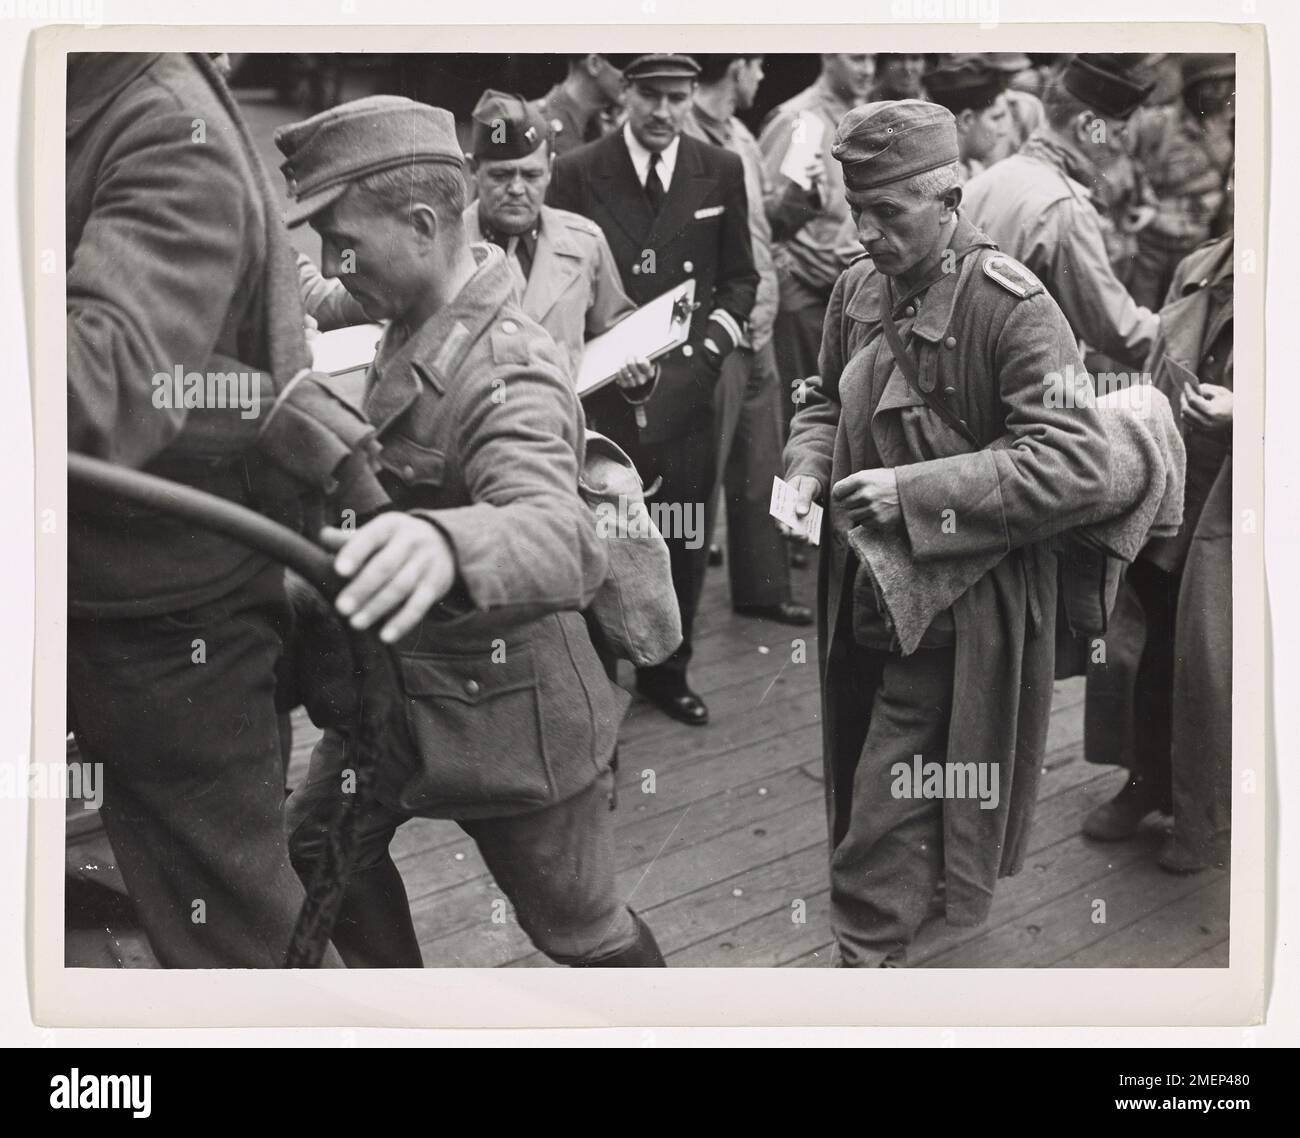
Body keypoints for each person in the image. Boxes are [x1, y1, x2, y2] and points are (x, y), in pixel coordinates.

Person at [276, 95, 666, 968]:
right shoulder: (413, 311)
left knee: (580, 928)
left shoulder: (508, 367)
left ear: (422, 224)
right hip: (389, 694)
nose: (332, 264)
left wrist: (446, 544)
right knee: (319, 846)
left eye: (344, 241)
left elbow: (563, 537)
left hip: (507, 718)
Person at [66, 51, 389, 968]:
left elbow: (103, 382)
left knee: (240, 937)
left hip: (162, 609)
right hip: (109, 578)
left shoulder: (166, 126)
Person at [781, 100, 1110, 966]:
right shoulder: (857, 288)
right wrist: (806, 466)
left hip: (965, 599)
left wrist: (916, 494)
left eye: (888, 212)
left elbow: (1079, 464)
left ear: (951, 198)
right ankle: (908, 903)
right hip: (866, 584)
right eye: (858, 209)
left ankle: (865, 954)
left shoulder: (1015, 307)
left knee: (897, 778)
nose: (866, 232)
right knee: (873, 756)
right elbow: (818, 399)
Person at [548, 53, 759, 727]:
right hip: (603, 393)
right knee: (604, 533)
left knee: (683, 532)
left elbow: (740, 280)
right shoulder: (578, 170)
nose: (663, 112)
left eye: (677, 96)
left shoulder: (719, 168)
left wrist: (706, 355)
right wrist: (602, 354)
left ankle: (669, 671)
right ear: (626, 94)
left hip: (686, 383)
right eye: (651, 96)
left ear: (692, 96)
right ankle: (599, 679)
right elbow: (562, 277)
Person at [1082, 235, 1233, 874]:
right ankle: (1148, 780)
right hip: (1179, 495)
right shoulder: (1201, 267)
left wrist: (1253, 412)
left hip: (1248, 511)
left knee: (1220, 661)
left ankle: (1210, 814)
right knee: (1151, 640)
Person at [684, 54, 812, 628]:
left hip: (760, 315)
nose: (762, 79)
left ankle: (764, 588)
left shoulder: (741, 134)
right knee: (698, 470)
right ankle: (672, 615)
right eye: (758, 66)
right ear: (736, 68)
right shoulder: (681, 130)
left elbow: (767, 225)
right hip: (717, 324)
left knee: (764, 462)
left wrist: (802, 194)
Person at [961, 53, 1159, 371]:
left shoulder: (987, 180)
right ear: (1085, 127)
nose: (1122, 147)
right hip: (1024, 393)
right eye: (1118, 132)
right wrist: (1188, 337)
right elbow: (1118, 332)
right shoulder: (1065, 210)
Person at [758, 54, 874, 430]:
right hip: (805, 295)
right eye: (857, 57)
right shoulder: (802, 122)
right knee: (802, 415)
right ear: (827, 55)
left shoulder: (864, 114)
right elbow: (767, 220)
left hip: (848, 292)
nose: (867, 68)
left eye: (873, 58)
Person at [1126, 54, 1235, 311]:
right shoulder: (1156, 123)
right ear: (1192, 87)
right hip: (1150, 245)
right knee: (1141, 321)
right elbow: (1124, 165)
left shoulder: (1229, 126)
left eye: (1225, 84)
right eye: (1211, 85)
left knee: (1186, 320)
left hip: (1198, 245)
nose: (1219, 93)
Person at [923, 57, 1012, 183]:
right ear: (966, 120)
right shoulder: (942, 182)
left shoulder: (974, 170)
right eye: (995, 118)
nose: (1003, 130)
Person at [531, 54, 630, 157]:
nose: (634, 80)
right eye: (627, 66)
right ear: (594, 64)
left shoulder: (610, 130)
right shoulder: (535, 126)